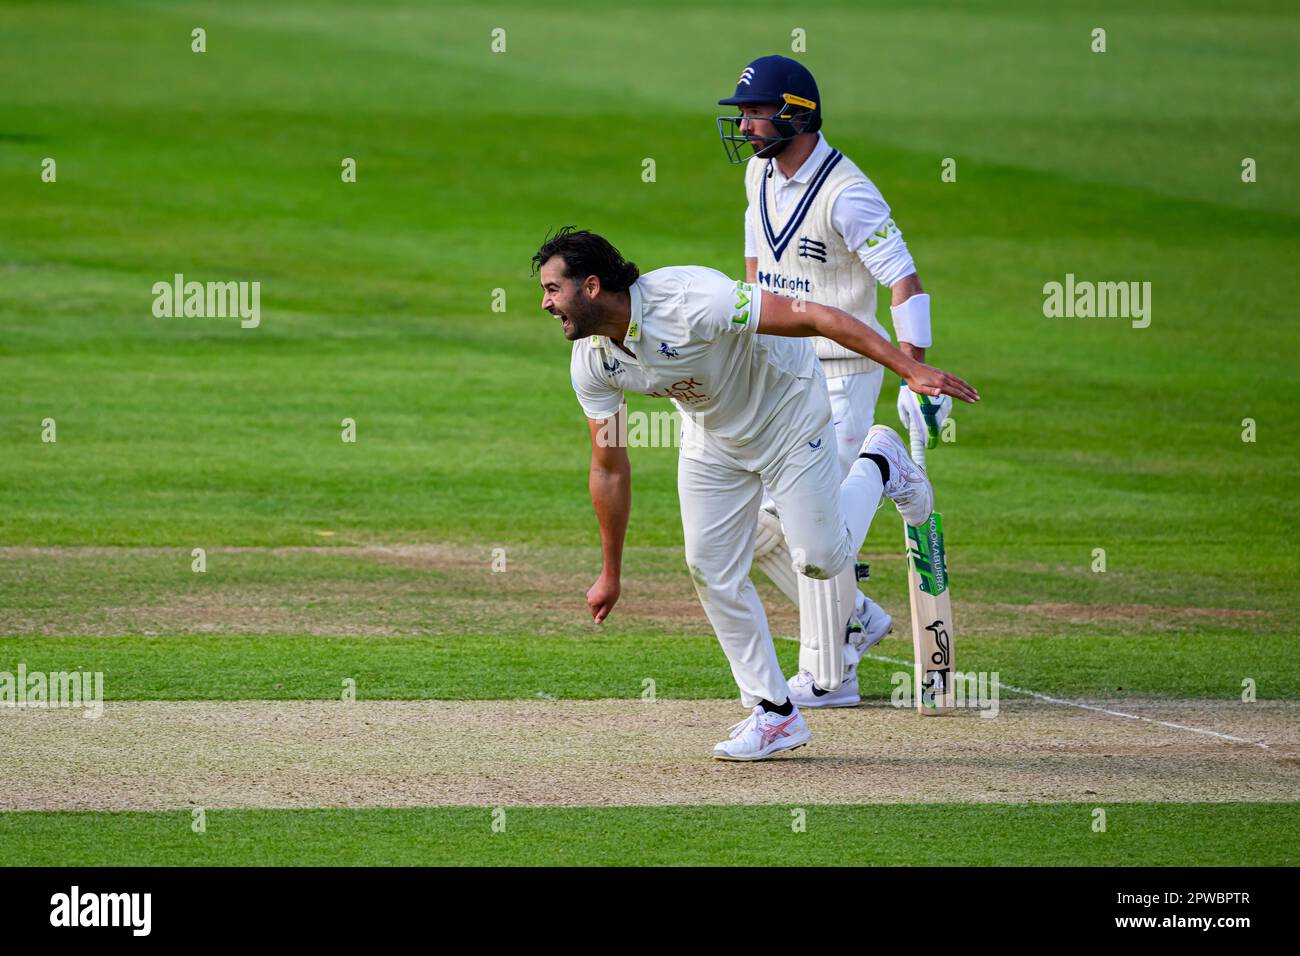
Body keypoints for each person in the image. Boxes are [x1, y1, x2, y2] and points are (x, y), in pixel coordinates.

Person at [533, 226, 978, 760]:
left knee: (819, 560)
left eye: (553, 289)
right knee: (709, 566)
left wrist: (910, 369)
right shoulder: (593, 360)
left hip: (786, 413)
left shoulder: (691, 299)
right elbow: (608, 468)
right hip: (711, 434)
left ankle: (882, 464)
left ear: (592, 286)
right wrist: (611, 571)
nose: (545, 303)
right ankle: (774, 712)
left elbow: (814, 315)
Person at [717, 54, 953, 706]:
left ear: (795, 114)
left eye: (756, 112)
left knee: (809, 523)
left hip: (846, 377)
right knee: (753, 527)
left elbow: (903, 280)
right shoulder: (759, 179)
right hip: (782, 371)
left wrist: (915, 374)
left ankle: (829, 676)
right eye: (741, 113)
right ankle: (857, 621)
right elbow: (756, 271)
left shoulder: (848, 193)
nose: (744, 126)